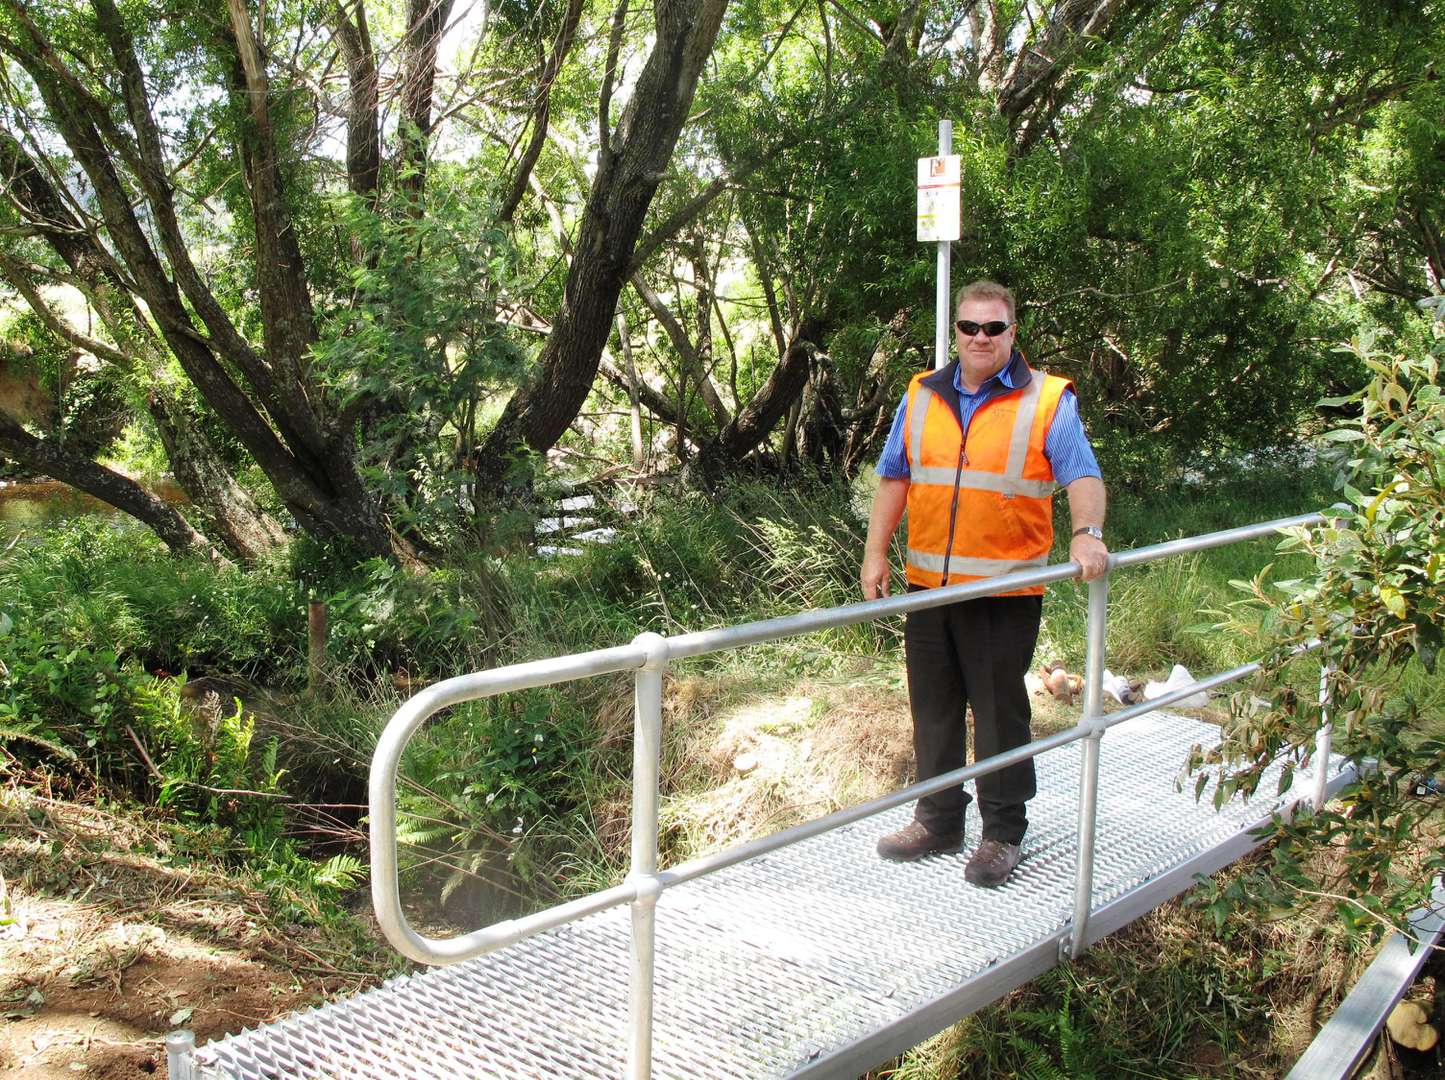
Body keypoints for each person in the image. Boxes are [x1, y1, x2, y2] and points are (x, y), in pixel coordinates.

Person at [859, 280, 1108, 887]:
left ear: (1011, 333)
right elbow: (895, 477)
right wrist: (875, 554)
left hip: (1003, 593)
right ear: (957, 332)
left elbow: (1082, 474)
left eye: (993, 328)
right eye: (969, 327)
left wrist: (1088, 533)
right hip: (930, 588)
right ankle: (939, 819)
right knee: (934, 710)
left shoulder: (1046, 399)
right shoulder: (921, 394)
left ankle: (1002, 834)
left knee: (999, 715)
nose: (980, 338)